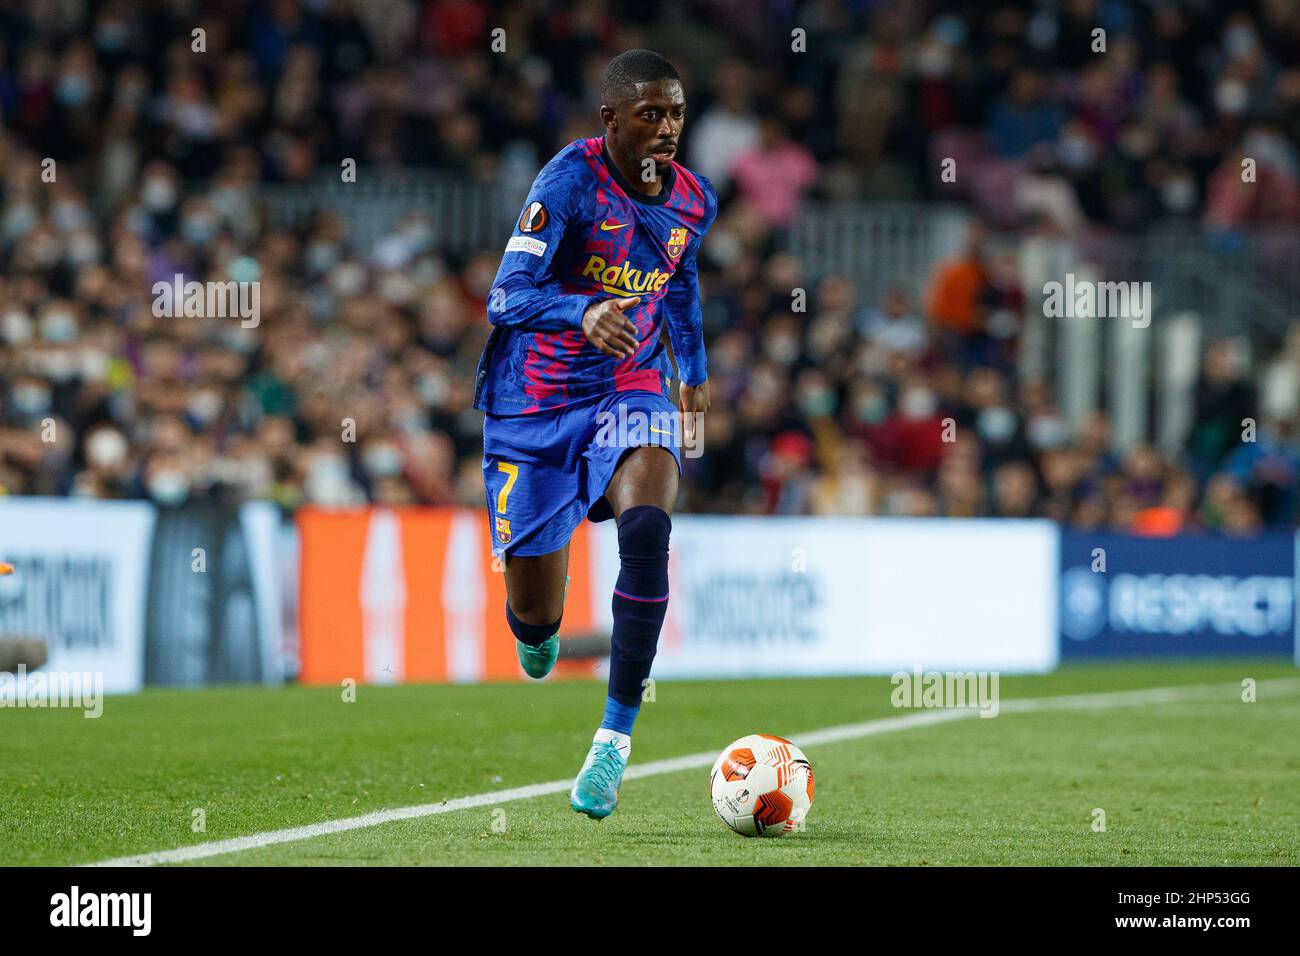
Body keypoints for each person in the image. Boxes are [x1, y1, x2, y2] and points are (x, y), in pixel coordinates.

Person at [472, 49, 717, 819]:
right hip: (535, 405)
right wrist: (581, 310)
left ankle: (613, 741)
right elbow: (505, 296)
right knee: (535, 620)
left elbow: (679, 277)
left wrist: (692, 367)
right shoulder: (568, 182)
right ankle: (535, 627)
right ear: (610, 119)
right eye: (650, 114)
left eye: (676, 113)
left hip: (629, 386)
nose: (667, 128)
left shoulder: (694, 200)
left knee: (647, 526)